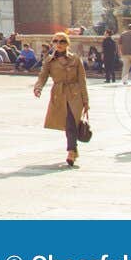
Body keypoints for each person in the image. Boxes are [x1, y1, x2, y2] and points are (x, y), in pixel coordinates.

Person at [33, 31, 89, 167]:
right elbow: (43, 76)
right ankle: (74, 149)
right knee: (68, 124)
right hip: (59, 94)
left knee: (71, 122)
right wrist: (38, 87)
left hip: (75, 94)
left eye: (62, 41)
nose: (58, 44)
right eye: (55, 41)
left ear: (67, 44)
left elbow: (82, 80)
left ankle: (70, 151)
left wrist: (86, 100)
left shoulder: (75, 59)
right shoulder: (49, 61)